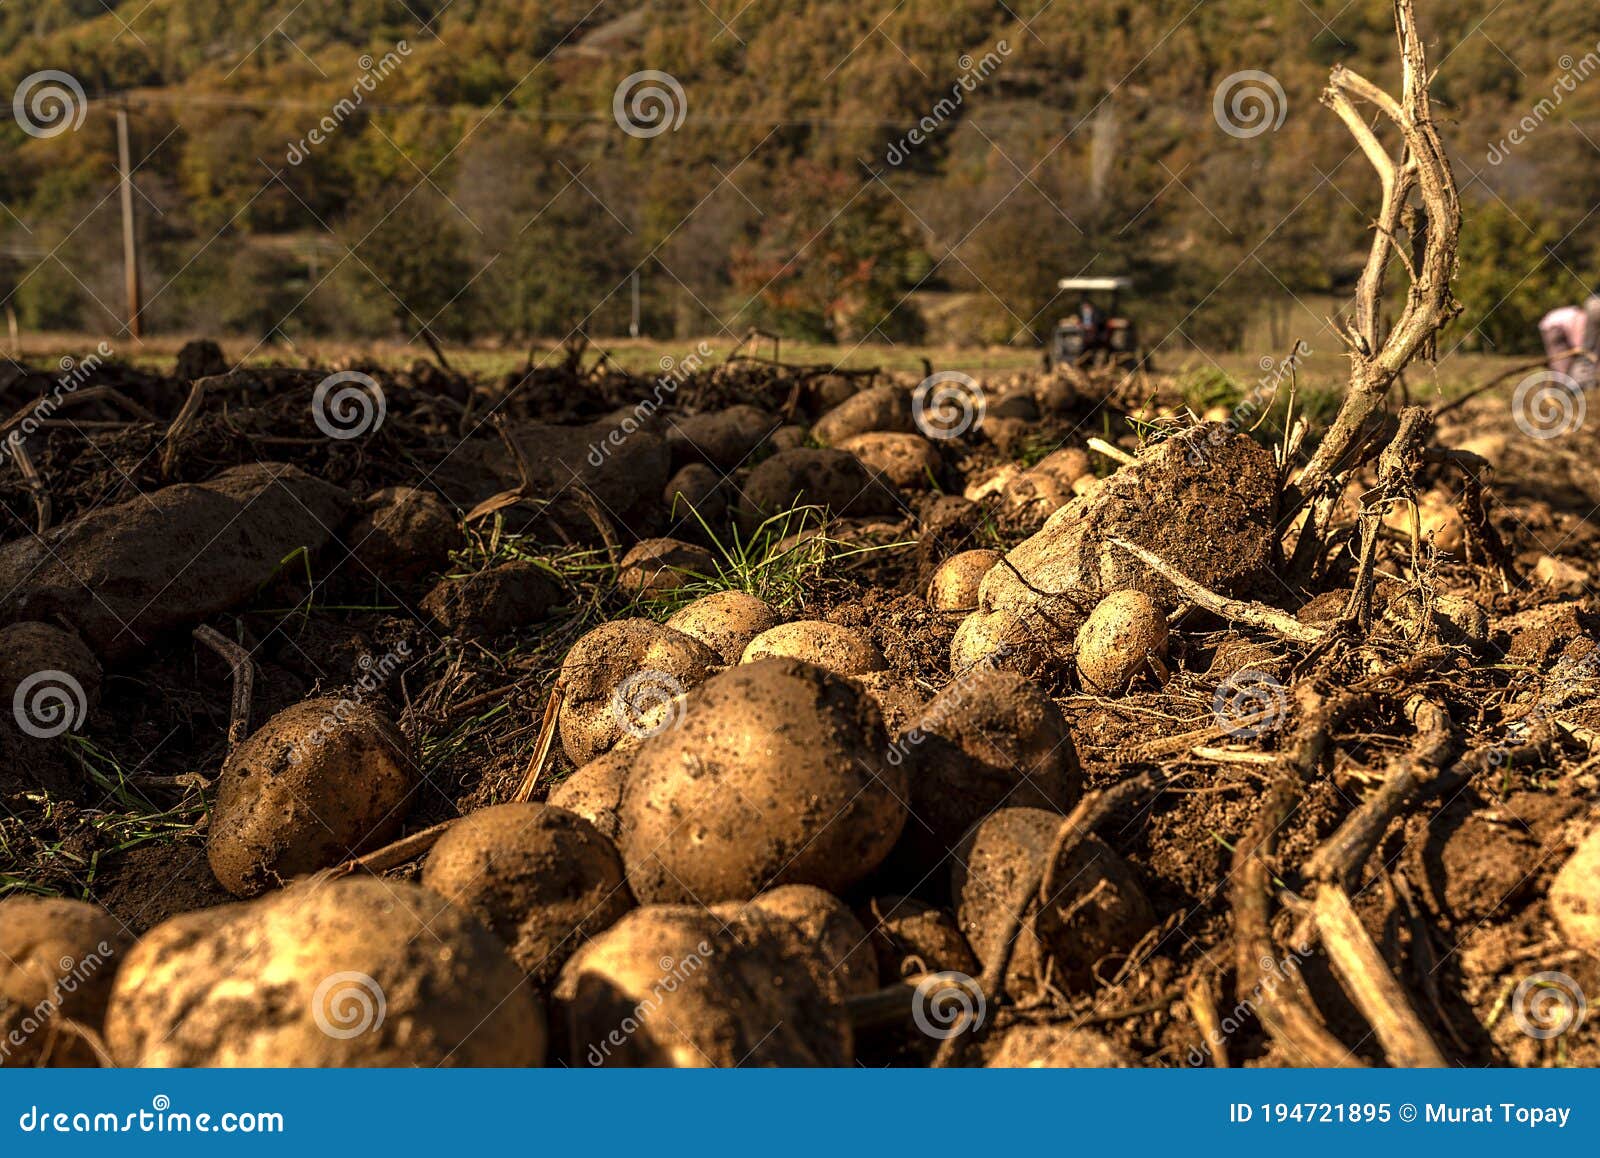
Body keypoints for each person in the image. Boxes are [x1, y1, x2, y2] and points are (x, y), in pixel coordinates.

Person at [1539, 304, 1587, 380]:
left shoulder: (1577, 312)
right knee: (1562, 361)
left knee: (1557, 359)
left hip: (1546, 327)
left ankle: (1560, 381)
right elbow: (1576, 333)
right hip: (1555, 329)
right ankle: (1564, 384)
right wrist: (1579, 347)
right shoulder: (1582, 316)